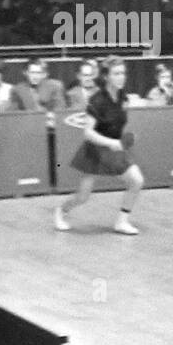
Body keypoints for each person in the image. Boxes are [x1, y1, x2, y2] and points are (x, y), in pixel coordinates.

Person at [55, 56, 143, 236]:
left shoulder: (122, 97)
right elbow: (88, 133)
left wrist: (125, 138)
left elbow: (118, 123)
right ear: (107, 77)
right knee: (83, 197)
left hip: (115, 150)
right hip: (95, 151)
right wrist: (112, 142)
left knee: (136, 181)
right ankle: (60, 211)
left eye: (123, 73)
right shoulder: (97, 100)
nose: (122, 77)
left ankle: (121, 222)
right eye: (117, 73)